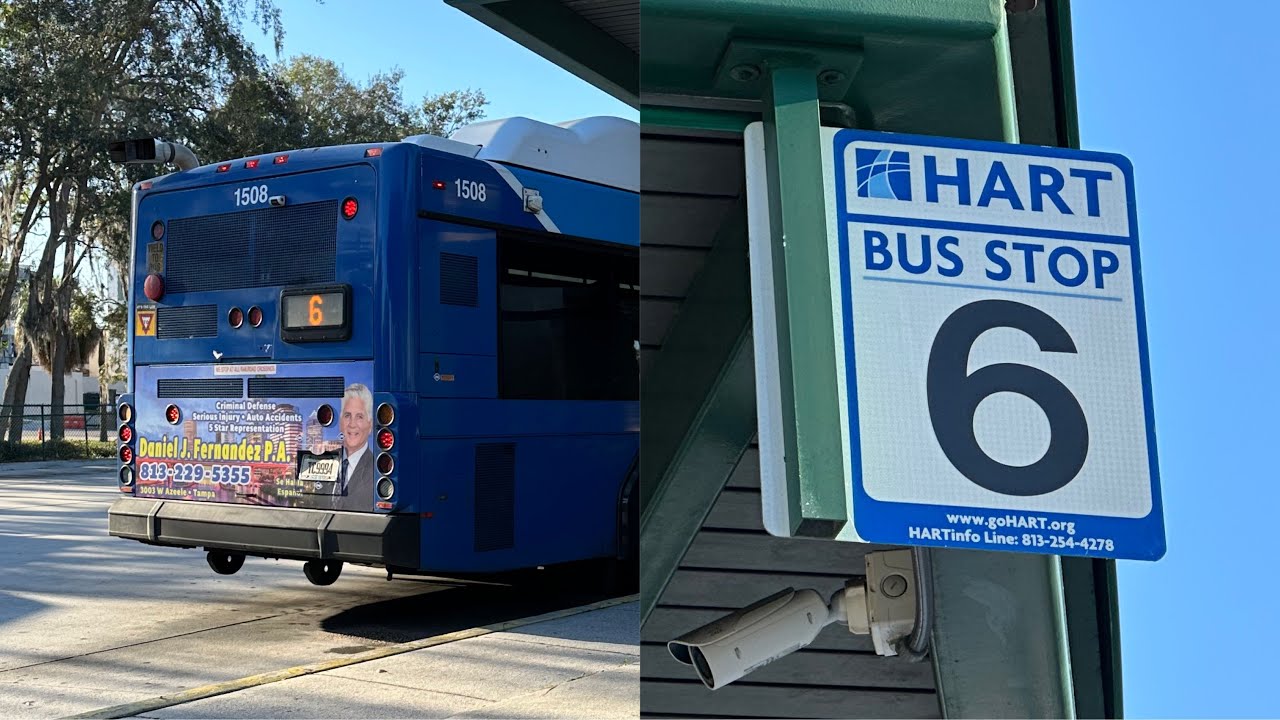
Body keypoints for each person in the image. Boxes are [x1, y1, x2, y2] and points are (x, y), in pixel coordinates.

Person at [334, 383, 375, 509]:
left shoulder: (377, 470)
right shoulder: (328, 460)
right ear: (340, 422)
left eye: (360, 417)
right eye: (347, 415)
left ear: (370, 425)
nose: (352, 424)